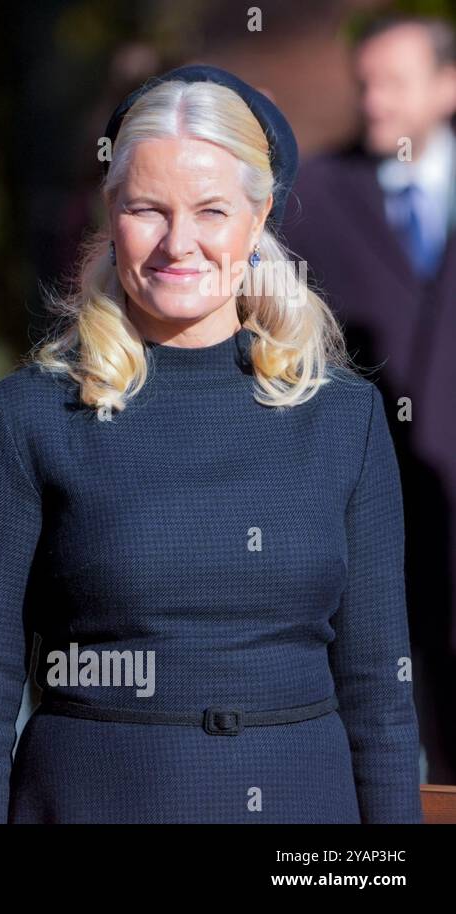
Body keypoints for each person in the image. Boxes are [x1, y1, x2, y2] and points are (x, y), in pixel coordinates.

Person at [0, 65, 423, 823]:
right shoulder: (23, 421)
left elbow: (379, 702)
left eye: (212, 210)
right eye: (148, 209)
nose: (179, 242)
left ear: (258, 220)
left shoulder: (345, 420)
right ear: (111, 213)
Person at [280, 14, 456, 784]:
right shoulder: (313, 195)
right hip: (372, 518)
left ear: (448, 86)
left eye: (396, 82)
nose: (374, 101)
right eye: (365, 84)